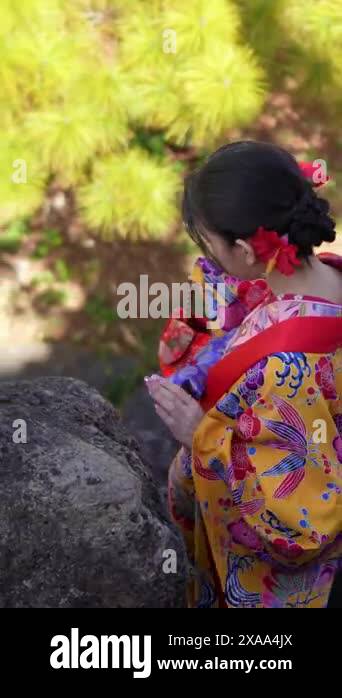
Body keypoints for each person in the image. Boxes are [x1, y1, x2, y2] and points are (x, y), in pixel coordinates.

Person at [146, 141, 342, 608]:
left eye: (212, 244)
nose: (210, 256)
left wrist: (200, 435)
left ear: (243, 249)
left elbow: (297, 518)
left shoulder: (286, 365)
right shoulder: (329, 278)